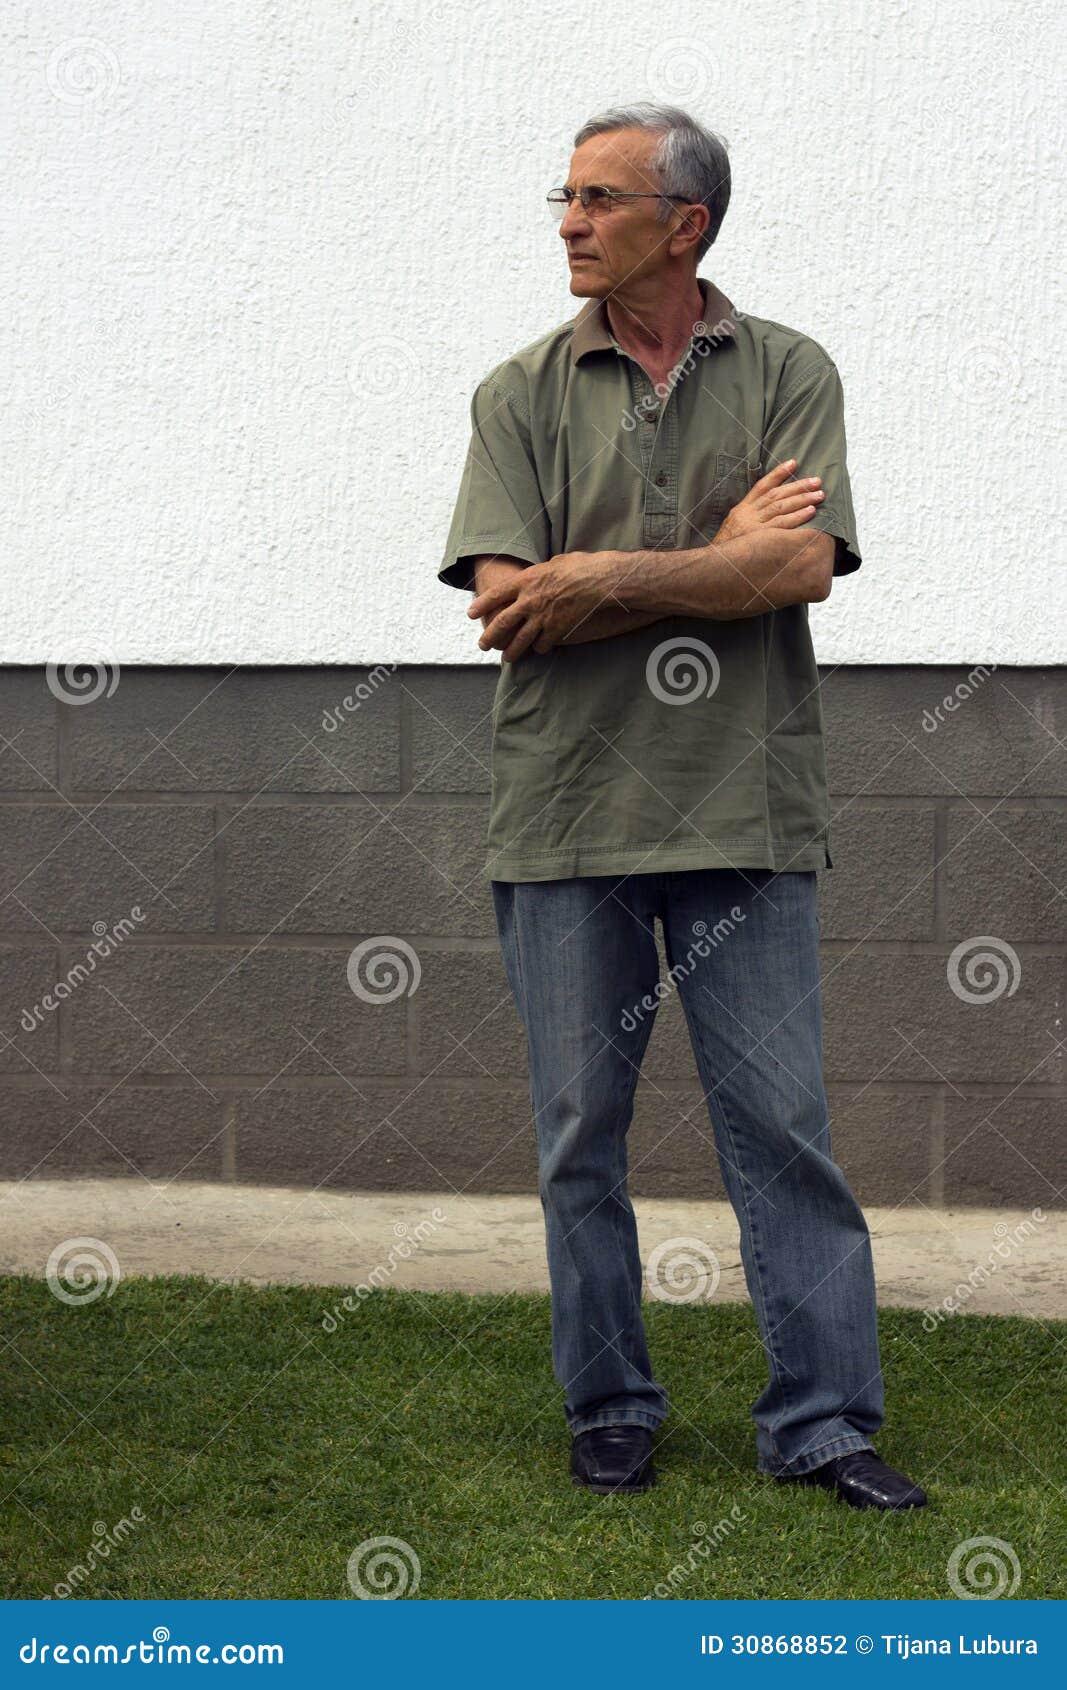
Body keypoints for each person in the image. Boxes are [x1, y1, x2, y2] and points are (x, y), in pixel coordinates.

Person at [439, 102, 926, 1511]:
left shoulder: (788, 371)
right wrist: (703, 557)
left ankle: (823, 1422)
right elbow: (507, 609)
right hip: (566, 815)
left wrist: (599, 578)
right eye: (566, 196)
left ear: (685, 222)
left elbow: (799, 572)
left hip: (746, 811)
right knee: (578, 1130)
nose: (570, 221)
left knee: (782, 1124)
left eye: (598, 197)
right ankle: (611, 1404)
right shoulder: (517, 392)